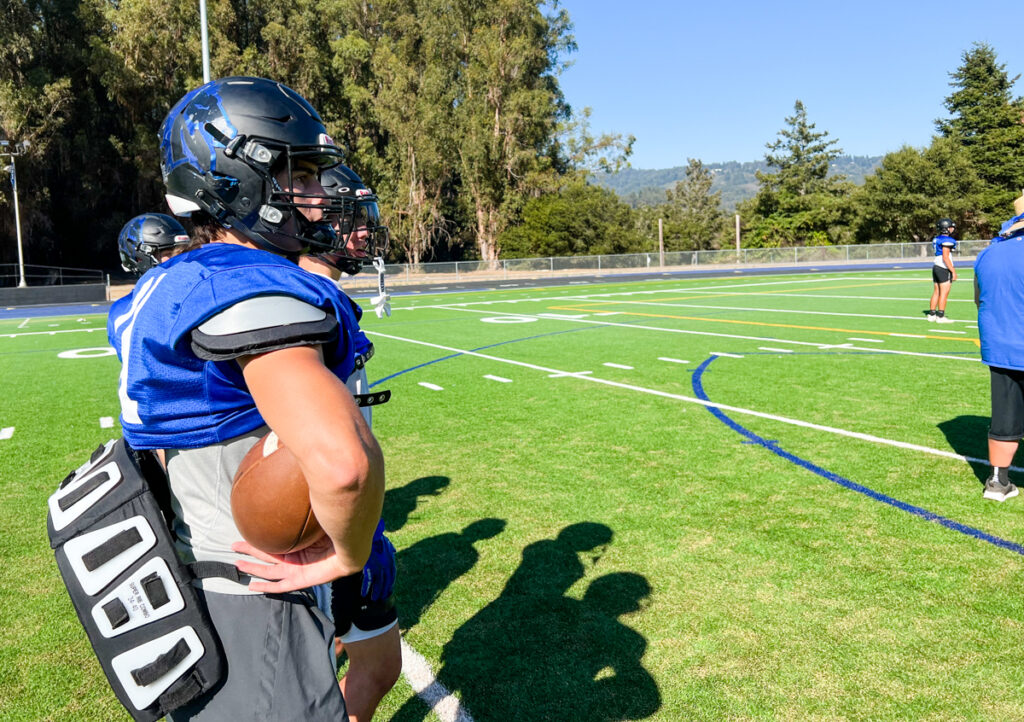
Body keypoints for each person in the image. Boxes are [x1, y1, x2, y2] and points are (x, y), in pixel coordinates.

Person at [108, 77, 384, 720]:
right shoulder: (250, 288)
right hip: (251, 585)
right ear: (234, 182)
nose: (319, 196)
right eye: (301, 175)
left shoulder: (174, 281)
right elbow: (343, 465)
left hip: (179, 570)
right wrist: (349, 549)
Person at [300, 164, 401, 722]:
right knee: (333, 674)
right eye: (353, 219)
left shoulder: (323, 294)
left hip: (346, 516)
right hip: (321, 521)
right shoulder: (308, 298)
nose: (365, 232)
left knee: (372, 663)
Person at [974, 192, 1024, 502]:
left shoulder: (989, 253)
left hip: (1002, 346)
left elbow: (979, 300)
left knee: (1004, 416)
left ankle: (997, 481)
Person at [927, 218, 958, 323]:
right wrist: (953, 271)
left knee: (936, 291)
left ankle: (932, 314)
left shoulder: (937, 239)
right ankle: (940, 316)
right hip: (943, 267)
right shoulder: (947, 240)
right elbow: (945, 256)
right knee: (944, 293)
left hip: (936, 265)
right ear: (946, 228)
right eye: (951, 227)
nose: (952, 229)